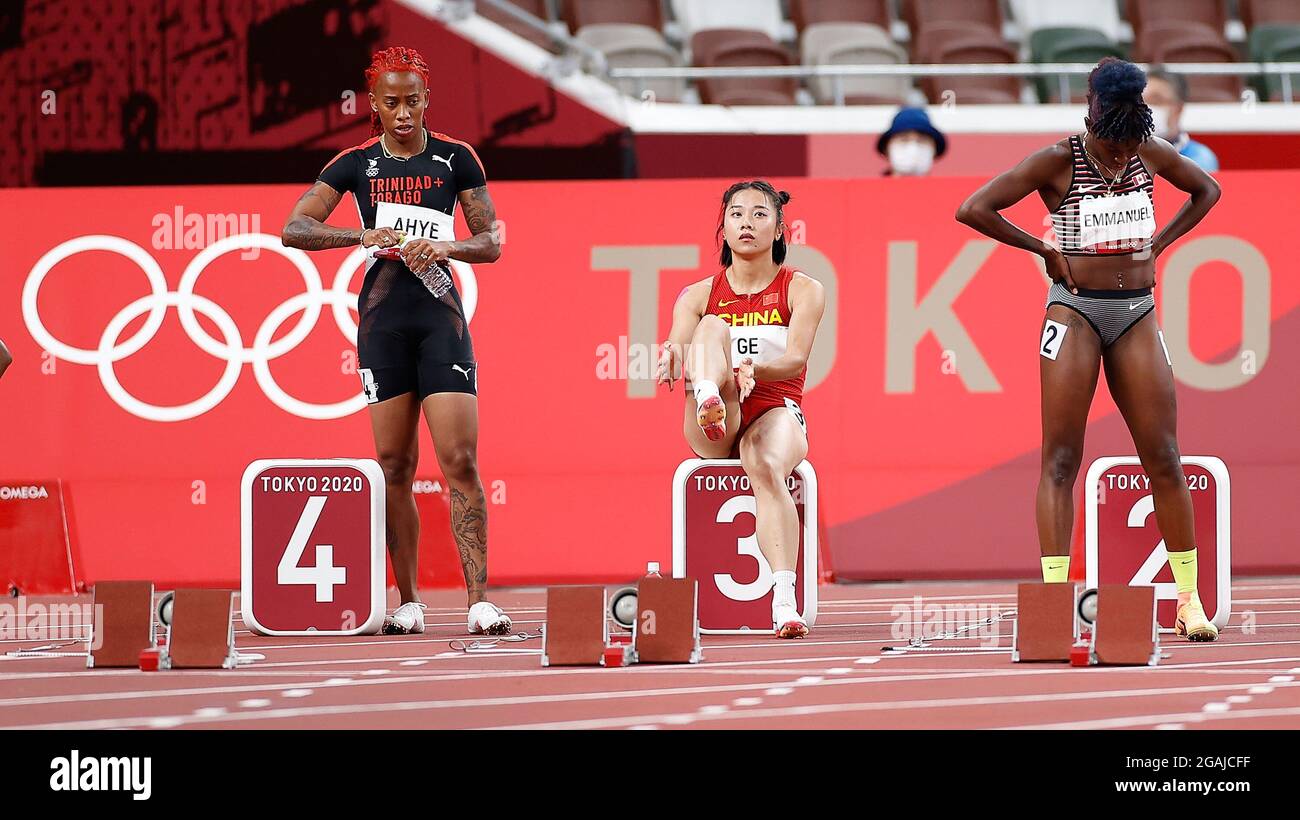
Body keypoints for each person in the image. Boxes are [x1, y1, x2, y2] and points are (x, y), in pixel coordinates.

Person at [955, 57, 1222, 641]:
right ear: (1093, 108)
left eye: (1133, 136)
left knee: (1165, 456)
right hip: (1074, 311)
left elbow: (1207, 189)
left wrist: (1161, 242)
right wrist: (1044, 250)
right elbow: (973, 208)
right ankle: (1054, 602)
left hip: (1137, 312)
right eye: (1116, 134)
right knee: (1060, 459)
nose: (1125, 150)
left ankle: (1188, 601)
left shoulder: (1149, 152)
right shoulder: (1059, 158)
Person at [282, 46, 511, 636]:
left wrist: (448, 247)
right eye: (391, 102)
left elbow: (490, 242)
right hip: (383, 321)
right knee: (394, 465)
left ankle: (479, 600)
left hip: (442, 319)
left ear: (427, 99)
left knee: (459, 459)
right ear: (375, 104)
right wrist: (360, 234)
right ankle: (408, 600)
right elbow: (294, 228)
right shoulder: (355, 164)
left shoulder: (456, 159)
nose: (403, 112)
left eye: (413, 100)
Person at [655, 181, 826, 638]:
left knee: (766, 465)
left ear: (778, 228)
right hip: (716, 413)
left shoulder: (803, 289)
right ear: (723, 228)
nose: (746, 223)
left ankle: (784, 602)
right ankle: (712, 392)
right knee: (711, 326)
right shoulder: (697, 295)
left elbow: (796, 359)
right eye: (736, 214)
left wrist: (758, 373)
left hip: (774, 404)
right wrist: (672, 352)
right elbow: (677, 340)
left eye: (758, 214)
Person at [1144, 69, 1219, 172]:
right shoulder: (1124, 155)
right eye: (1141, 101)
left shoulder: (1200, 158)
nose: (1145, 108)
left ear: (1178, 109)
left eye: (1156, 100)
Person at [877, 106, 947, 176]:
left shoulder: (950, 187)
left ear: (934, 150)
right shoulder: (871, 187)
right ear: (886, 149)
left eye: (922, 140)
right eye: (904, 139)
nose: (913, 148)